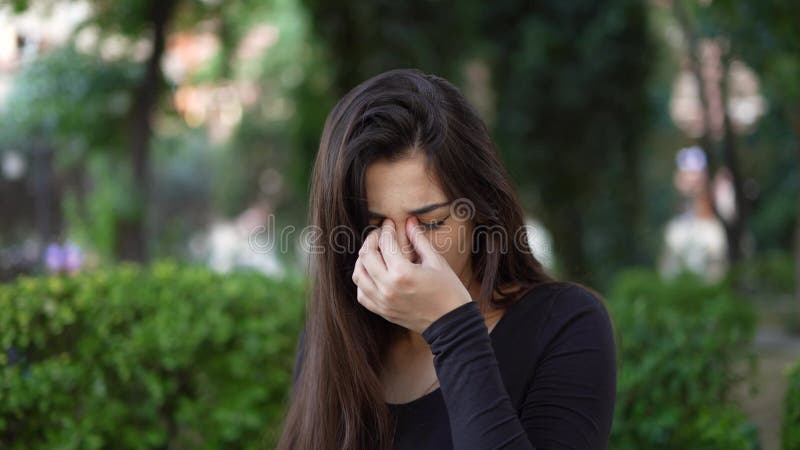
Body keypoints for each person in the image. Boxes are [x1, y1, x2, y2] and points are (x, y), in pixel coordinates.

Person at [277, 68, 616, 450]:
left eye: (431, 222)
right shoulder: (335, 336)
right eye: (374, 226)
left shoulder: (564, 324)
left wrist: (452, 328)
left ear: (481, 210)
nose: (401, 252)